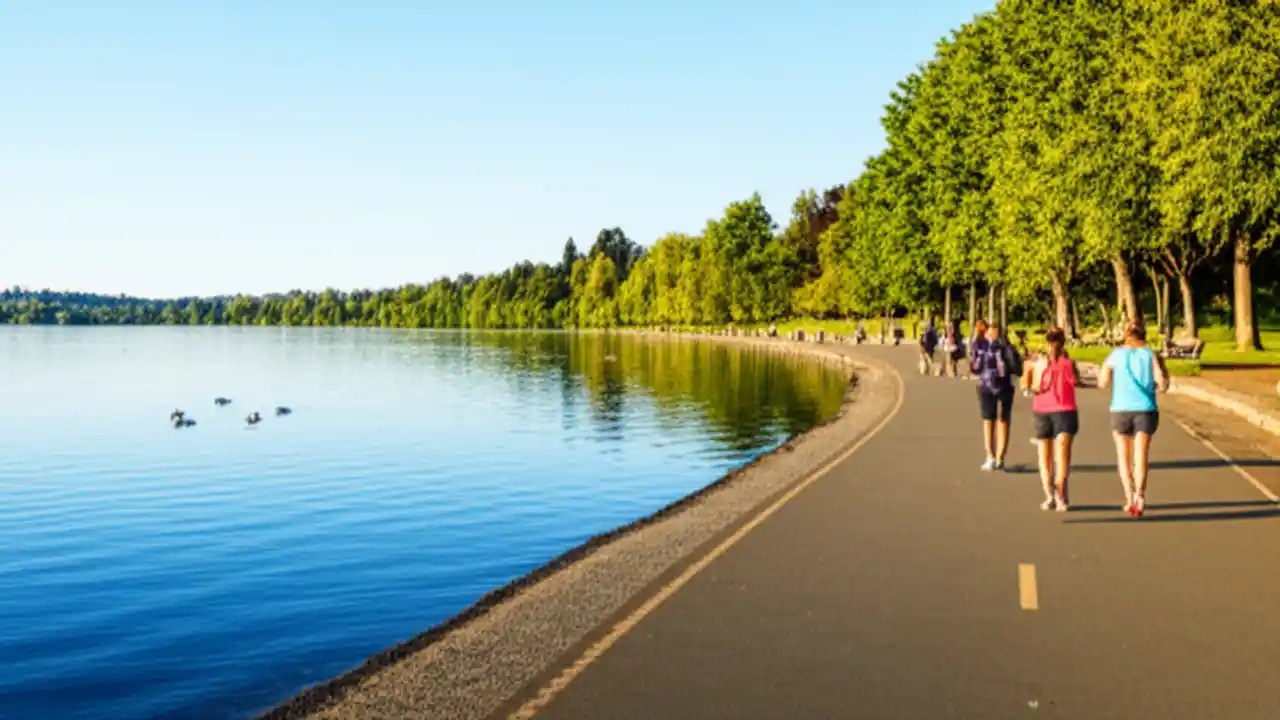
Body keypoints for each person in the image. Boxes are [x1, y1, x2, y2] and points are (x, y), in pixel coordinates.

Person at [1099, 321, 1169, 517]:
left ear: (1126, 335)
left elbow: (1103, 381)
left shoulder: (1115, 355)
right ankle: (1140, 495)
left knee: (1123, 457)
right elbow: (1161, 383)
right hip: (1145, 409)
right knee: (1141, 455)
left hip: (1120, 408)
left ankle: (1128, 497)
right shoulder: (1150, 355)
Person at [1021, 327, 1079, 511]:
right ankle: (1056, 495)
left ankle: (1053, 495)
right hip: (1056, 410)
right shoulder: (1063, 363)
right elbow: (1077, 380)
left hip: (1051, 410)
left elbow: (1026, 385)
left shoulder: (1046, 362)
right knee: (1056, 456)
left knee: (1049, 456)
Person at [970, 321, 1021, 470]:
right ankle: (995, 457)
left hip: (990, 385)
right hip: (1000, 385)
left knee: (993, 421)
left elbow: (975, 367)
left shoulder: (983, 346)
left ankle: (994, 456)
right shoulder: (1004, 345)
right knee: (997, 421)